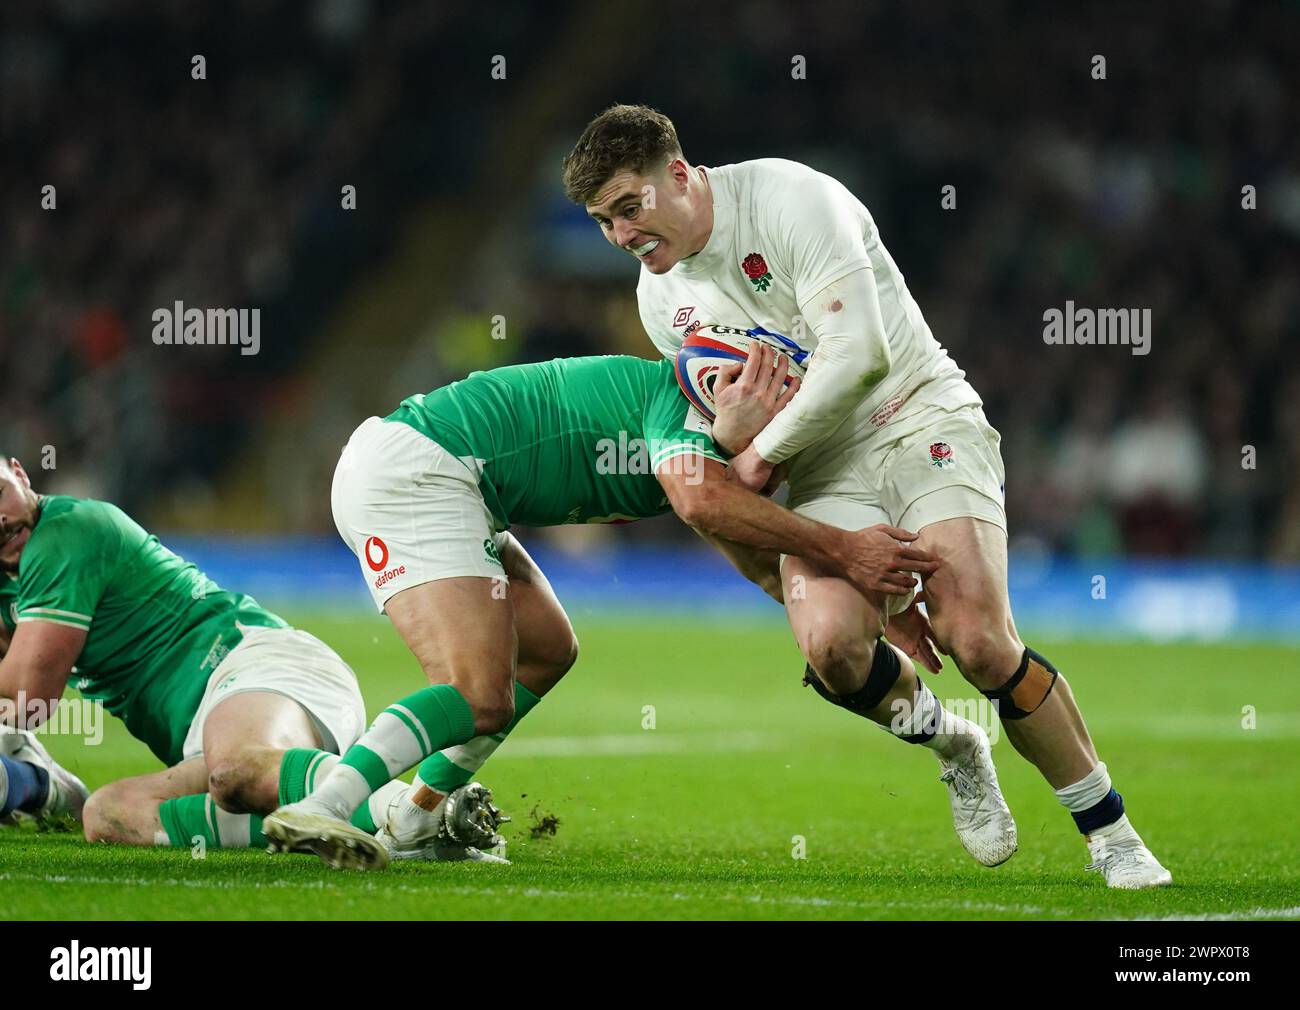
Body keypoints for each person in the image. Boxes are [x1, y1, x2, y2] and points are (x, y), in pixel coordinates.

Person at [561, 104, 1170, 888]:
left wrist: (755, 458)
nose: (620, 236)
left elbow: (863, 356)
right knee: (833, 650)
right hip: (821, 466)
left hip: (918, 416)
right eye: (602, 221)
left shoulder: (790, 200)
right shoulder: (660, 302)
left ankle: (1110, 832)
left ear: (676, 176)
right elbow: (734, 425)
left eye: (628, 208)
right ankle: (956, 744)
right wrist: (739, 447)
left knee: (978, 638)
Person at [262, 352, 986, 870]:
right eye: (781, 430)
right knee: (476, 691)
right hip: (420, 473)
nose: (780, 458)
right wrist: (849, 550)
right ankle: (331, 804)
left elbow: (758, 557)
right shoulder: (679, 405)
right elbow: (705, 502)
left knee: (546, 650)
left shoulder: (700, 450)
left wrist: (870, 618)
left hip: (456, 484)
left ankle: (419, 816)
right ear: (732, 392)